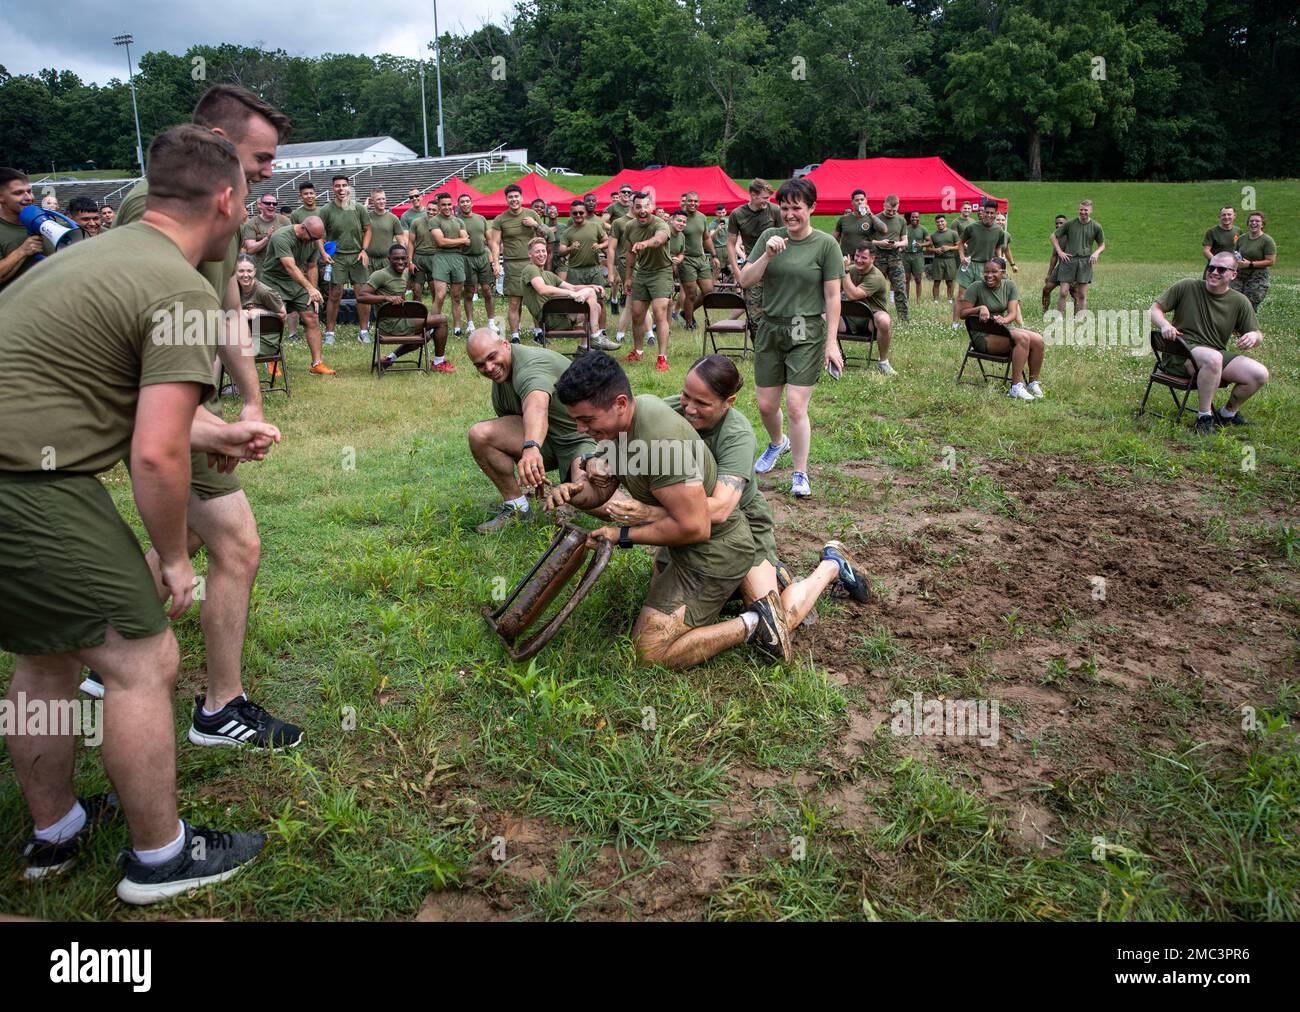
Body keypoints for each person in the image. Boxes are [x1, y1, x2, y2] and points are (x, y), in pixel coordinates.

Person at [0, 125, 278, 901]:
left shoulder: (94, 256)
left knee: (49, 657)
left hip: (18, 465)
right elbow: (155, 456)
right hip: (25, 485)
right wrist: (177, 558)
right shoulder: (182, 288)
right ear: (225, 200)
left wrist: (223, 430)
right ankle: (161, 858)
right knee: (142, 661)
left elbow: (84, 393)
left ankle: (55, 833)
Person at [108, 86, 309, 749]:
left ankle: (104, 648)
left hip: (185, 401)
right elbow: (150, 325)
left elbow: (227, 311)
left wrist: (248, 401)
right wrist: (201, 424)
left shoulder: (223, 204)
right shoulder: (161, 203)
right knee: (234, 543)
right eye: (262, 156)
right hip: (158, 402)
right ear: (219, 143)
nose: (270, 170)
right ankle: (221, 708)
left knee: (200, 541)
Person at [545, 352, 789, 668]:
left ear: (620, 404)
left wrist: (621, 535)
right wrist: (573, 493)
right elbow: (602, 489)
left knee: (648, 653)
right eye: (576, 419)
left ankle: (755, 622)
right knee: (658, 614)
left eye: (587, 420)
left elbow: (696, 526)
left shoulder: (661, 443)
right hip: (683, 543)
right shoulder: (625, 422)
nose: (579, 429)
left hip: (717, 549)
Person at [652, 355, 871, 629]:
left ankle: (832, 566)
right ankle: (765, 578)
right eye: (686, 396)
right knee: (660, 600)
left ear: (728, 402)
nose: (690, 408)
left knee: (775, 623)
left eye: (702, 403)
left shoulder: (737, 434)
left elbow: (721, 509)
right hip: (694, 527)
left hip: (742, 526)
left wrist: (651, 512)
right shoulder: (670, 410)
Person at [739, 177, 844, 500]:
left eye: (796, 208)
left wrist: (830, 342)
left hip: (805, 328)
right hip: (771, 326)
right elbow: (745, 280)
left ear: (812, 208)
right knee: (766, 405)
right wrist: (767, 256)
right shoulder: (770, 237)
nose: (789, 214)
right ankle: (777, 443)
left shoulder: (826, 245)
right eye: (784, 208)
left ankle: (800, 473)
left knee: (796, 406)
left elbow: (833, 296)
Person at [466, 328, 599, 532]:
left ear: (505, 344)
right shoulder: (501, 380)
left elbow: (536, 406)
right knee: (480, 434)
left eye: (492, 357)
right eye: (480, 365)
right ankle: (516, 508)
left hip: (582, 438)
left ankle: (651, 510)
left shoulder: (529, 366)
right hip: (550, 439)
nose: (489, 367)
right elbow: (517, 421)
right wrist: (532, 466)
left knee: (592, 499)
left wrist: (531, 449)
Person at [1149, 253, 1268, 435]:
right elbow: (1155, 309)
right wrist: (1165, 324)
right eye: (1211, 267)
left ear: (1233, 275)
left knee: (1259, 374)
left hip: (1215, 353)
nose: (1214, 272)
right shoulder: (1187, 286)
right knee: (1213, 358)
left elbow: (1258, 333)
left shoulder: (1240, 301)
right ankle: (1204, 417)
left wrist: (1253, 335)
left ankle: (1227, 413)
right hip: (1181, 353)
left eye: (1221, 269)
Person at [355, 242, 453, 373]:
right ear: (389, 259)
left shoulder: (405, 273)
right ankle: (438, 363)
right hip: (388, 325)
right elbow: (361, 297)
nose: (401, 262)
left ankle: (389, 359)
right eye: (396, 259)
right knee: (441, 320)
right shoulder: (380, 275)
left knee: (426, 336)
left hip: (402, 320)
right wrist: (385, 298)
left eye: (403, 258)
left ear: (408, 258)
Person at [958, 257, 1045, 402]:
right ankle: (1016, 387)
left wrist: (1004, 320)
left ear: (1003, 273)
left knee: (1038, 340)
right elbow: (962, 314)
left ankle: (1032, 383)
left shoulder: (1009, 286)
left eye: (994, 271)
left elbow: (1012, 312)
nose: (989, 275)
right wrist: (980, 308)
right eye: (986, 271)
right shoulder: (976, 287)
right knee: (1023, 338)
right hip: (983, 336)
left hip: (1001, 330)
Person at [488, 183, 548, 343]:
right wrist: (496, 263)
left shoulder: (532, 214)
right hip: (512, 264)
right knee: (514, 302)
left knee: (537, 299)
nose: (514, 199)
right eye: (510, 197)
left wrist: (535, 224)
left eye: (516, 196)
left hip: (532, 264)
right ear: (506, 199)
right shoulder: (501, 219)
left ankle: (538, 332)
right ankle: (515, 336)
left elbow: (545, 233)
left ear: (521, 198)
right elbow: (494, 242)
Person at [622, 191, 675, 371]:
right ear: (633, 208)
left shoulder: (661, 224)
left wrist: (647, 243)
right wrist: (628, 277)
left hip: (662, 272)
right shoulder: (630, 227)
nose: (642, 210)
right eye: (638, 207)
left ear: (651, 207)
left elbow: (660, 239)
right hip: (642, 273)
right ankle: (638, 352)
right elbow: (630, 253)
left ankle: (662, 358)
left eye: (646, 206)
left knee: (659, 312)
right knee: (637, 314)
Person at [521, 236, 605, 350]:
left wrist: (591, 286)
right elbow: (543, 289)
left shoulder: (548, 274)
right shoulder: (530, 269)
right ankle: (595, 337)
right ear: (530, 254)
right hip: (549, 319)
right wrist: (571, 294)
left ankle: (584, 347)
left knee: (597, 307)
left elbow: (573, 287)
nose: (541, 254)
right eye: (537, 252)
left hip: (560, 316)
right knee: (589, 293)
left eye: (543, 251)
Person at [319, 175, 371, 345]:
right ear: (332, 189)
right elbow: (318, 235)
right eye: (337, 186)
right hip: (337, 257)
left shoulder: (358, 208)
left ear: (349, 188)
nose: (341, 189)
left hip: (356, 255)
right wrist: (324, 253)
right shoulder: (326, 210)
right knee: (335, 295)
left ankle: (364, 331)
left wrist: (364, 250)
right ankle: (330, 333)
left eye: (344, 185)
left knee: (361, 295)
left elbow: (368, 230)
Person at [558, 198, 614, 345]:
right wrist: (570, 248)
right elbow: (561, 251)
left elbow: (607, 241)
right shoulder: (568, 232)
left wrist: (600, 245)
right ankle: (584, 333)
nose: (578, 215)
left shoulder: (595, 227)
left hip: (594, 269)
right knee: (577, 302)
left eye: (580, 212)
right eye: (575, 213)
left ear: (585, 213)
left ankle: (601, 332)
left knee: (600, 300)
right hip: (575, 271)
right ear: (570, 214)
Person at [727, 178, 783, 323]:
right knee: (754, 313)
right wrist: (737, 272)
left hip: (776, 266)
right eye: (764, 197)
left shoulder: (775, 211)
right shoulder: (737, 214)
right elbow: (731, 244)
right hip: (752, 266)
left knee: (777, 309)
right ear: (753, 195)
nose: (768, 201)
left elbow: (786, 236)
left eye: (769, 197)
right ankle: (758, 343)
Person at [841, 242, 895, 375]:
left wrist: (845, 271)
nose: (859, 260)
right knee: (823, 316)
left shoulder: (875, 277)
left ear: (873, 258)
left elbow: (853, 295)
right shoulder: (851, 270)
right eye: (857, 256)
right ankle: (833, 360)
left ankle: (883, 362)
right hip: (849, 318)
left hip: (871, 321)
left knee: (884, 320)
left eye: (864, 258)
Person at [955, 199, 1009, 329]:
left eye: (992, 213)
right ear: (982, 212)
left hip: (986, 266)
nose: (989, 215)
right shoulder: (972, 227)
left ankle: (978, 323)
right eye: (987, 212)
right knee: (962, 296)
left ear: (996, 214)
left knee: (982, 297)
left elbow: (997, 248)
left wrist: (1000, 260)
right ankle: (955, 323)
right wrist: (962, 256)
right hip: (969, 264)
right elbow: (961, 242)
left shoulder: (999, 231)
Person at [0, 168, 53, 292]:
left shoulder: (48, 220)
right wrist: (22, 251)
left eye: (29, 191)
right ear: (1, 198)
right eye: (18, 193)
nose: (28, 197)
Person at [426, 191, 470, 336]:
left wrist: (455, 242)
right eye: (443, 205)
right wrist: (460, 241)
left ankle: (457, 328)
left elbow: (467, 241)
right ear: (438, 206)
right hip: (441, 258)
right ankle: (432, 326)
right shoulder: (434, 221)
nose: (447, 207)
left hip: (457, 258)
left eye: (449, 204)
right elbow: (440, 241)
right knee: (440, 295)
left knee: (456, 296)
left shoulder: (459, 221)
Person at [1051, 199, 1104, 315]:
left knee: (1082, 294)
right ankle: (1059, 317)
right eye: (1081, 209)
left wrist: (1096, 252)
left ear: (1091, 211)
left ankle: (1080, 318)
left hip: (1085, 262)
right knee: (1063, 292)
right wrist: (1060, 252)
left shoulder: (1096, 226)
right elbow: (1053, 236)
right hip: (1069, 260)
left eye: (1086, 210)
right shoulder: (1070, 224)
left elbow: (1102, 245)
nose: (1083, 212)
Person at [677, 190, 717, 329]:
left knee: (709, 291)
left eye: (695, 201)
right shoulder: (679, 217)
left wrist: (714, 255)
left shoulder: (702, 217)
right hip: (685, 259)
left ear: (698, 203)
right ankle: (689, 323)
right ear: (685, 202)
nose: (692, 203)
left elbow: (706, 238)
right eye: (690, 201)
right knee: (691, 294)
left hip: (701, 258)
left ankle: (687, 312)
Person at [457, 192, 495, 333]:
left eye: (467, 201)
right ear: (459, 205)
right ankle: (470, 323)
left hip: (482, 257)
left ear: (472, 203)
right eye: (462, 201)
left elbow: (490, 239)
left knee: (487, 291)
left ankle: (491, 322)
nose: (465, 203)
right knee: (469, 292)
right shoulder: (456, 221)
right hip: (466, 259)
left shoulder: (481, 218)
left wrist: (493, 256)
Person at [871, 195, 909, 322]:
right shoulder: (875, 219)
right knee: (874, 287)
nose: (892, 213)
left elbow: (905, 240)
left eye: (895, 210)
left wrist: (898, 244)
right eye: (889, 210)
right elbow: (867, 240)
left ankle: (903, 319)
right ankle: (873, 316)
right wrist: (880, 243)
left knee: (900, 288)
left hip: (895, 257)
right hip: (878, 256)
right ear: (884, 205)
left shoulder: (901, 220)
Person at [1231, 212, 1276, 312]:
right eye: (1251, 221)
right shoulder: (1242, 239)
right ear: (1248, 223)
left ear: (1262, 224)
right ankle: (1232, 326)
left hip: (1257, 277)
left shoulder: (1267, 241)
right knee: (1233, 301)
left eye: (1257, 221)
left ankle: (1247, 326)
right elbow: (1235, 253)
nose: (1254, 223)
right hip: (1239, 276)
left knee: (1249, 305)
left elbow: (1271, 261)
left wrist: (1250, 264)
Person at [241, 192, 290, 277]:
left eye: (274, 204)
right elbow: (251, 249)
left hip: (283, 267)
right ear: (261, 205)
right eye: (267, 203)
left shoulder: (284, 221)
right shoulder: (252, 223)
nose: (271, 205)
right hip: (263, 269)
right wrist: (267, 238)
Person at [832, 189, 886, 259]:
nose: (860, 202)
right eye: (857, 200)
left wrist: (871, 214)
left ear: (866, 201)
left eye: (862, 199)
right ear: (852, 202)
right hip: (847, 259)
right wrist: (835, 252)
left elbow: (884, 230)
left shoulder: (871, 218)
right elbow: (835, 237)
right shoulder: (844, 219)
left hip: (865, 259)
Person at [364, 188, 404, 279]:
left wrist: (403, 259)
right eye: (378, 199)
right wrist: (365, 206)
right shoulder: (366, 217)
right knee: (368, 288)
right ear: (372, 201)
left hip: (387, 260)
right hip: (369, 261)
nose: (382, 201)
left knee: (387, 288)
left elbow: (401, 241)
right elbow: (356, 219)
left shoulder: (393, 218)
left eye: (383, 199)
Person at [1041, 214, 1070, 313]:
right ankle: (1045, 312)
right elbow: (1054, 256)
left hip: (1071, 268)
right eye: (1056, 223)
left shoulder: (1072, 236)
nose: (1058, 225)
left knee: (1075, 294)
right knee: (1046, 289)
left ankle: (1077, 317)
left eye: (1061, 223)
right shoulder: (1056, 236)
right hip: (1060, 268)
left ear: (1067, 224)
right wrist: (1049, 274)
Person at [927, 214, 960, 303]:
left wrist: (949, 248)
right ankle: (936, 300)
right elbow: (928, 248)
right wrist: (935, 249)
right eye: (938, 222)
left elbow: (958, 246)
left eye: (942, 221)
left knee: (950, 281)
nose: (940, 223)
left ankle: (950, 299)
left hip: (950, 259)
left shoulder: (953, 233)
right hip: (938, 260)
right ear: (936, 223)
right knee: (936, 281)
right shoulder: (933, 235)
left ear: (945, 222)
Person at [903, 210, 928, 304]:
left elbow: (929, 242)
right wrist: (902, 246)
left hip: (918, 255)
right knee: (906, 279)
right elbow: (899, 239)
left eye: (916, 217)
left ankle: (918, 300)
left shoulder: (923, 229)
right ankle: (907, 299)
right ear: (910, 218)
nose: (914, 218)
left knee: (918, 279)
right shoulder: (905, 228)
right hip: (906, 255)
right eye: (913, 217)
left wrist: (921, 244)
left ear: (919, 218)